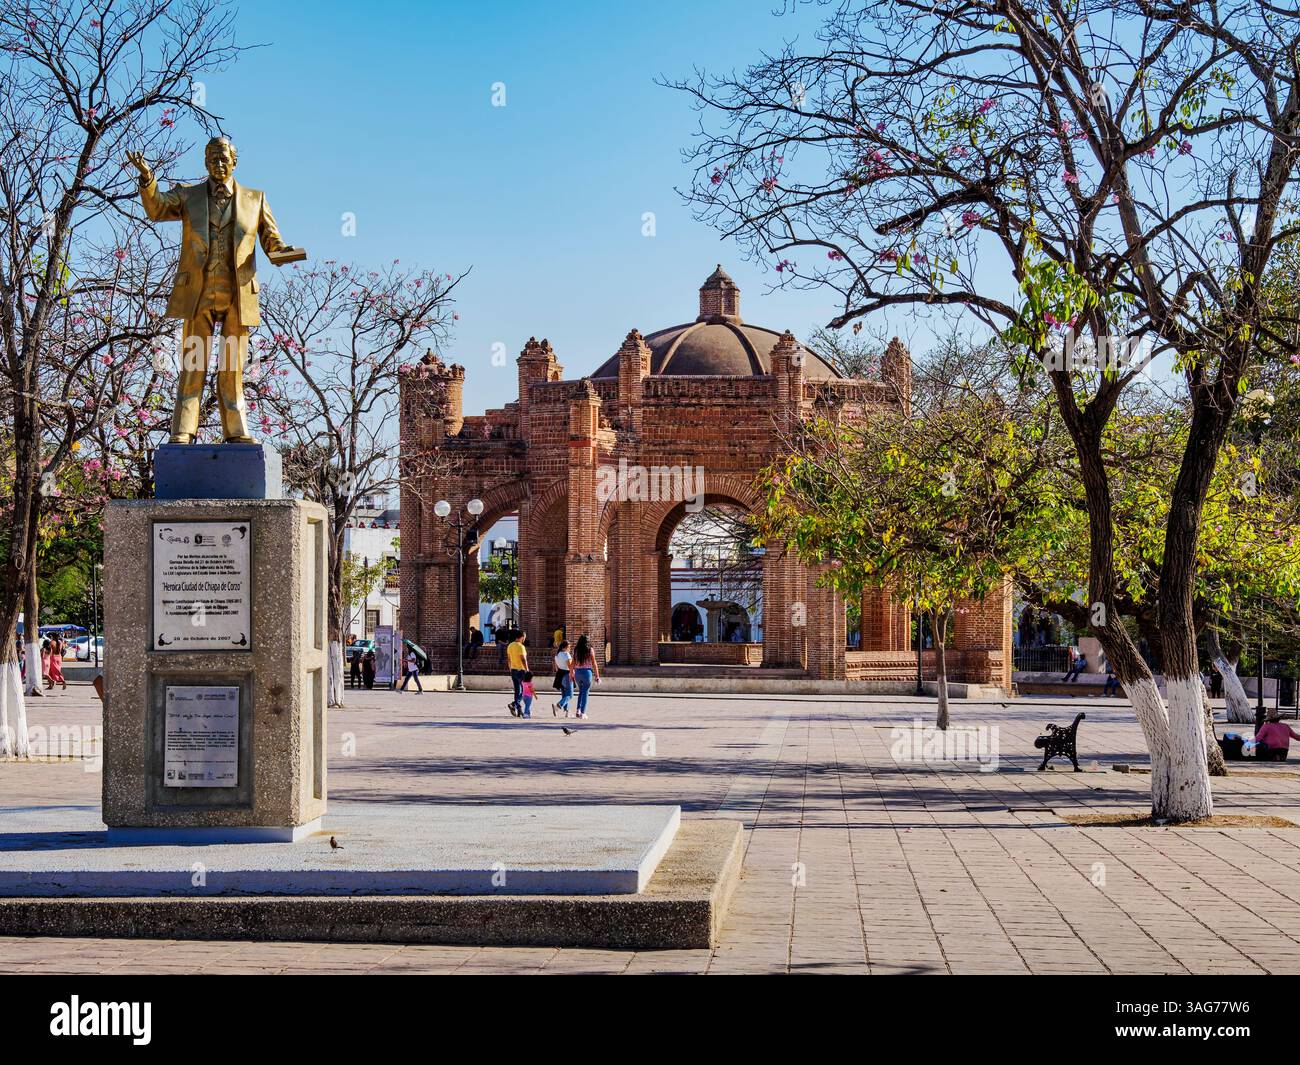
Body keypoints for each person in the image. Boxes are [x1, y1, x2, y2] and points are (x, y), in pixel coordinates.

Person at [571, 633, 601, 720]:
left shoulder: (576, 650)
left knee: (581, 691)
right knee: (585, 693)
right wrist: (597, 676)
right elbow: (594, 663)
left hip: (577, 673)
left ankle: (578, 710)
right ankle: (583, 713)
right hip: (587, 673)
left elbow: (572, 663)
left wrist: (571, 674)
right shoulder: (590, 650)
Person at [506, 631, 529, 715]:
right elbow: (523, 659)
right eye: (525, 637)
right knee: (525, 690)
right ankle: (514, 704)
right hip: (521, 671)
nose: (525, 639)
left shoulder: (510, 645)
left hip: (513, 669)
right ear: (522, 637)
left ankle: (519, 710)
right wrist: (527, 670)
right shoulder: (521, 646)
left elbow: (508, 659)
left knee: (517, 691)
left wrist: (510, 668)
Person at [552, 640, 574, 717]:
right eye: (569, 647)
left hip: (560, 675)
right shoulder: (566, 655)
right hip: (567, 674)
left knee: (564, 695)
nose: (570, 649)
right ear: (565, 647)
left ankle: (567, 711)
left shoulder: (557, 655)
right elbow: (570, 666)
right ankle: (558, 705)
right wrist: (572, 674)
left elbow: (556, 668)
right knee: (570, 695)